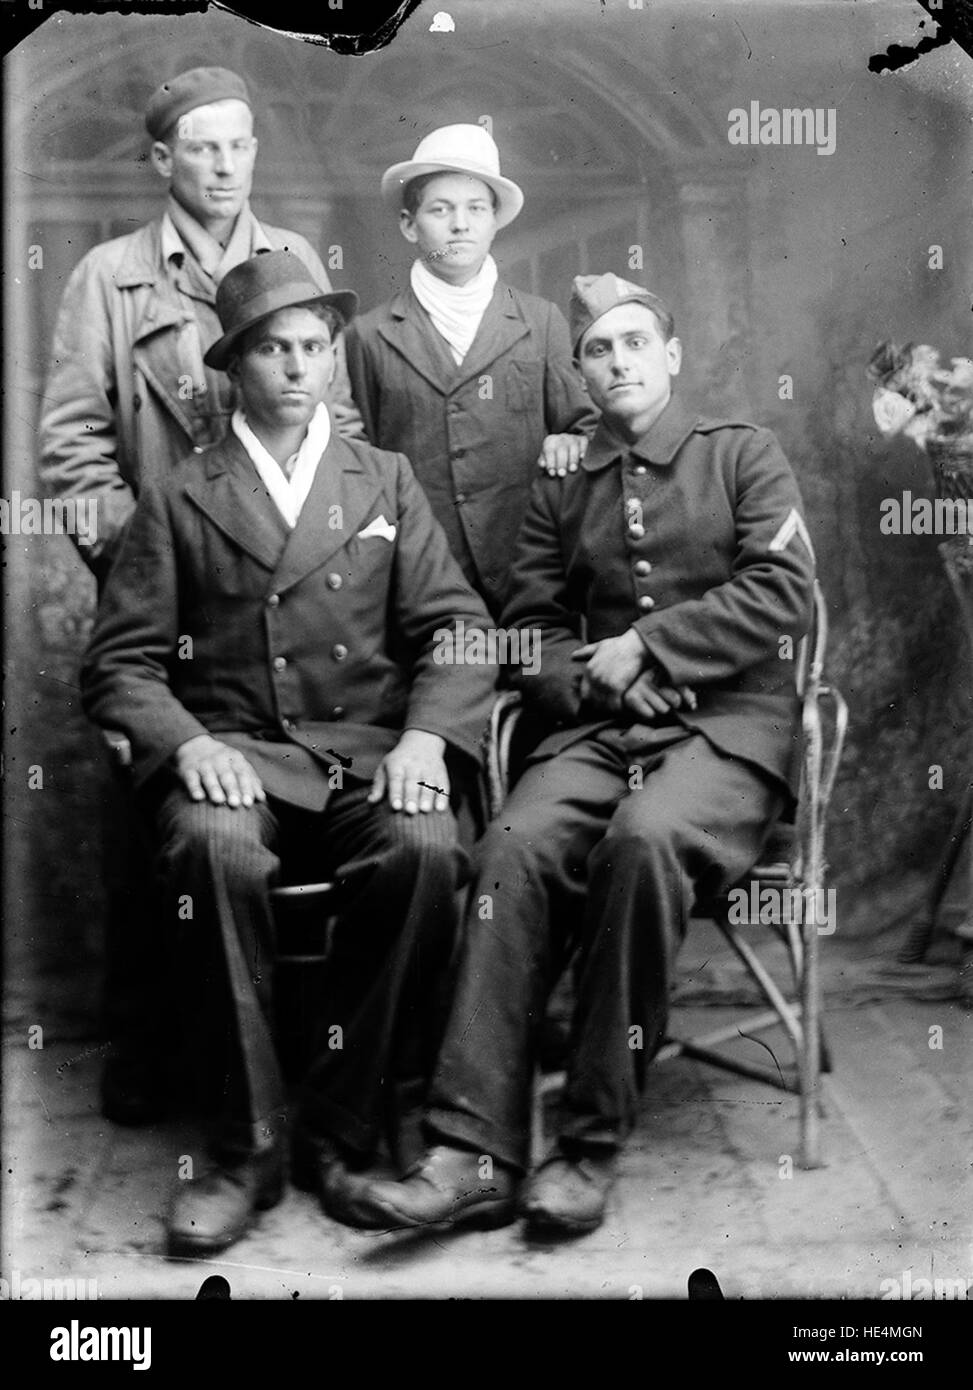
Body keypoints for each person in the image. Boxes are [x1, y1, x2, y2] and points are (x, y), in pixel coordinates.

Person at [348, 272, 817, 1238]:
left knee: (643, 842)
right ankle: (470, 1153)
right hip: (600, 731)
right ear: (582, 370)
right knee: (510, 847)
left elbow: (784, 593)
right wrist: (595, 679)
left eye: (635, 343)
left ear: (671, 355)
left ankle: (589, 1144)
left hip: (725, 735)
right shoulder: (562, 483)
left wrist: (651, 646)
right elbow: (527, 627)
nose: (617, 363)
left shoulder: (740, 454)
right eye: (597, 351)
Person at [80, 251, 497, 1255]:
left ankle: (344, 1129)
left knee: (429, 851)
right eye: (274, 348)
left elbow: (461, 630)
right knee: (211, 852)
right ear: (234, 365)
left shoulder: (382, 478)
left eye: (315, 346)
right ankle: (245, 1150)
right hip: (235, 752)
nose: (300, 367)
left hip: (365, 752)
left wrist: (428, 736)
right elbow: (119, 665)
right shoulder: (182, 496)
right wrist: (185, 745)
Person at [38, 65, 363, 1125]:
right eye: (204, 147)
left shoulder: (293, 261)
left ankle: (301, 1049)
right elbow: (73, 452)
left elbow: (339, 419)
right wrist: (152, 566)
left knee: (294, 804)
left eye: (242, 145)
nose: (225, 166)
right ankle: (156, 1043)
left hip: (293, 597)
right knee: (157, 815)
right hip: (162, 595)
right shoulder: (108, 277)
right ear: (162, 159)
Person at [344, 123, 597, 619]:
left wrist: (570, 439)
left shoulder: (540, 320)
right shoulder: (368, 336)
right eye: (440, 209)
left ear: (495, 221)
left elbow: (584, 424)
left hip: (533, 572)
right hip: (420, 578)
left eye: (475, 209)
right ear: (409, 224)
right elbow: (360, 463)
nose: (460, 225)